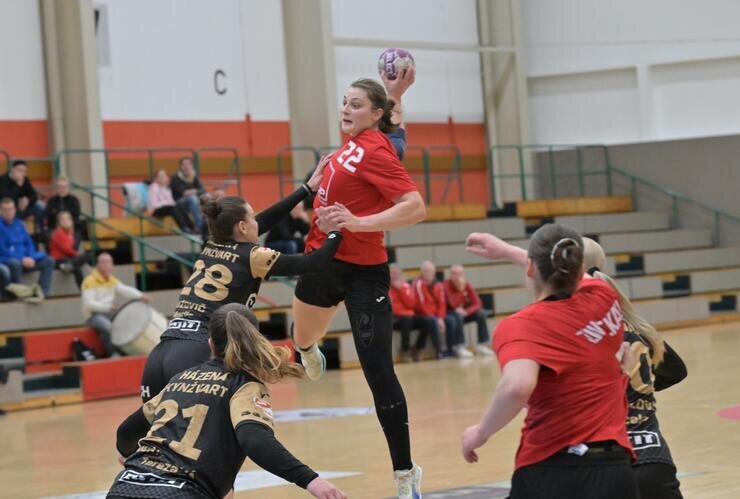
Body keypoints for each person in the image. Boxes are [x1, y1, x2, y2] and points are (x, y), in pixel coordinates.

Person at [467, 232, 687, 499]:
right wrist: (509, 251)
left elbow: (518, 386)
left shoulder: (524, 325)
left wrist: (480, 432)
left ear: (531, 268)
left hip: (552, 462)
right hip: (622, 461)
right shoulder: (605, 300)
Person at [290, 77, 426, 498]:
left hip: (365, 272)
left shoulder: (375, 152)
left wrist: (358, 223)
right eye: (343, 103)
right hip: (321, 260)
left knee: (378, 372)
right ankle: (309, 349)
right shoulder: (359, 143)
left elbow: (416, 207)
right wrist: (397, 95)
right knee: (303, 337)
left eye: (355, 105)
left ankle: (405, 474)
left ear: (374, 114)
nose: (345, 110)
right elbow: (398, 136)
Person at [140, 160, 342, 404]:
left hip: (163, 349)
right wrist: (335, 231)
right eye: (252, 218)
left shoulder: (213, 243)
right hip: (199, 348)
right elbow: (313, 263)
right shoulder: (254, 257)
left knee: (149, 436)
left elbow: (262, 221)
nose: (258, 222)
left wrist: (305, 190)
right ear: (243, 226)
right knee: (214, 429)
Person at [109, 303, 346, 499]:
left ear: (211, 344)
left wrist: (125, 451)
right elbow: (255, 441)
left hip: (125, 487)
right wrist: (312, 481)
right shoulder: (244, 386)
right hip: (181, 493)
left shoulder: (178, 380)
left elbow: (126, 431)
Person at [583, 239, 686, 499]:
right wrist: (643, 387)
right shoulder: (638, 330)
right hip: (654, 454)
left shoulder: (586, 336)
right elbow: (676, 370)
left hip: (611, 459)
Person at [81, 253, 151, 357]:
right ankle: (113, 353)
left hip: (110, 312)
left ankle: (130, 350)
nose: (106, 265)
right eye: (103, 262)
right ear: (98, 265)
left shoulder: (112, 280)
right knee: (107, 326)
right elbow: (89, 304)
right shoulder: (89, 281)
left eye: (109, 262)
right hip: (92, 316)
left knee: (127, 321)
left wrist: (140, 295)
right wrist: (108, 307)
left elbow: (125, 290)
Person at [0, 197, 53, 303]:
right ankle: (18, 294)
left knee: (49, 261)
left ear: (15, 210)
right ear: (0, 211)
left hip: (26, 259)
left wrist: (31, 257)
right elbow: (3, 249)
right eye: (5, 210)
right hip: (8, 260)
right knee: (15, 264)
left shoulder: (20, 224)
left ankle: (42, 293)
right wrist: (22, 259)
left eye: (10, 209)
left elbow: (29, 243)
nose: (8, 212)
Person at [389, 264, 438, 362]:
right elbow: (391, 308)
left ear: (400, 274)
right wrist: (406, 312)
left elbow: (412, 304)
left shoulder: (405, 286)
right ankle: (405, 350)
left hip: (408, 317)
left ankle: (418, 348)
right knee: (406, 319)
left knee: (427, 321)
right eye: (392, 273)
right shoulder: (386, 288)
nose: (394, 276)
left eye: (396, 273)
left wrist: (401, 289)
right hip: (395, 319)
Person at [412, 261, 460, 358]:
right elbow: (422, 305)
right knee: (432, 321)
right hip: (421, 314)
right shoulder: (418, 284)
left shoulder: (438, 285)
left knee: (451, 320)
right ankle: (439, 351)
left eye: (430, 271)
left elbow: (442, 304)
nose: (428, 273)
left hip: (436, 315)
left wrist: (441, 318)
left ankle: (450, 350)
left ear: (434, 272)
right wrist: (437, 319)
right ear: (421, 272)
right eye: (426, 271)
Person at [443, 264, 493, 356]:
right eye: (454, 274)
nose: (457, 276)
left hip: (463, 312)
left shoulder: (466, 284)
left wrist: (467, 311)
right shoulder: (445, 285)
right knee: (458, 315)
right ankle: (460, 346)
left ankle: (481, 345)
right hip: (450, 313)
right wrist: (460, 290)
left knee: (481, 313)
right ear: (450, 275)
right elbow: (453, 304)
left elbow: (478, 303)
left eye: (460, 274)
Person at [0, 160, 46, 233]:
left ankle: (41, 233)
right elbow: (6, 198)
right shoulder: (3, 179)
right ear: (12, 169)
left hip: (23, 207)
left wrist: (27, 201)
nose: (21, 173)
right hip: (8, 209)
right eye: (19, 170)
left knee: (39, 208)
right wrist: (18, 185)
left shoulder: (25, 180)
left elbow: (34, 195)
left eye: (24, 171)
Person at [48, 211, 89, 288]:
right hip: (58, 259)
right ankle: (84, 289)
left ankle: (84, 290)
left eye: (68, 219)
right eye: (63, 220)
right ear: (59, 222)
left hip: (68, 259)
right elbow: (66, 249)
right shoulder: (57, 233)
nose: (66, 221)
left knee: (82, 260)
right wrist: (77, 255)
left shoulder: (70, 234)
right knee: (81, 259)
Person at [171, 157, 206, 233]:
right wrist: (190, 181)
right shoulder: (176, 177)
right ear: (181, 167)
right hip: (179, 203)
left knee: (208, 196)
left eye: (189, 164)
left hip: (193, 200)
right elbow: (184, 192)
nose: (187, 167)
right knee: (192, 198)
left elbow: (202, 189)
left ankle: (211, 225)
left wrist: (194, 190)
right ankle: (200, 227)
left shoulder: (194, 176)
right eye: (184, 165)